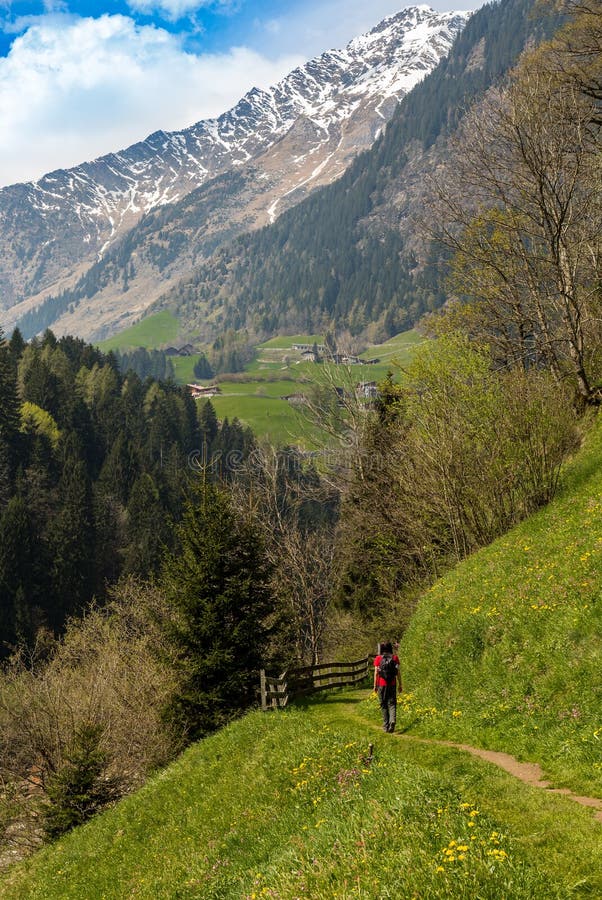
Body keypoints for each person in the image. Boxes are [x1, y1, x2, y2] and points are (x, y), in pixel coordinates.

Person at [373, 641, 402, 733]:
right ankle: (392, 721)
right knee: (392, 704)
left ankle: (386, 726)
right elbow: (398, 672)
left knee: (383, 704)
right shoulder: (395, 658)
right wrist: (400, 684)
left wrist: (375, 685)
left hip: (382, 684)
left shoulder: (378, 658)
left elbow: (376, 673)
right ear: (390, 648)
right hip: (392, 684)